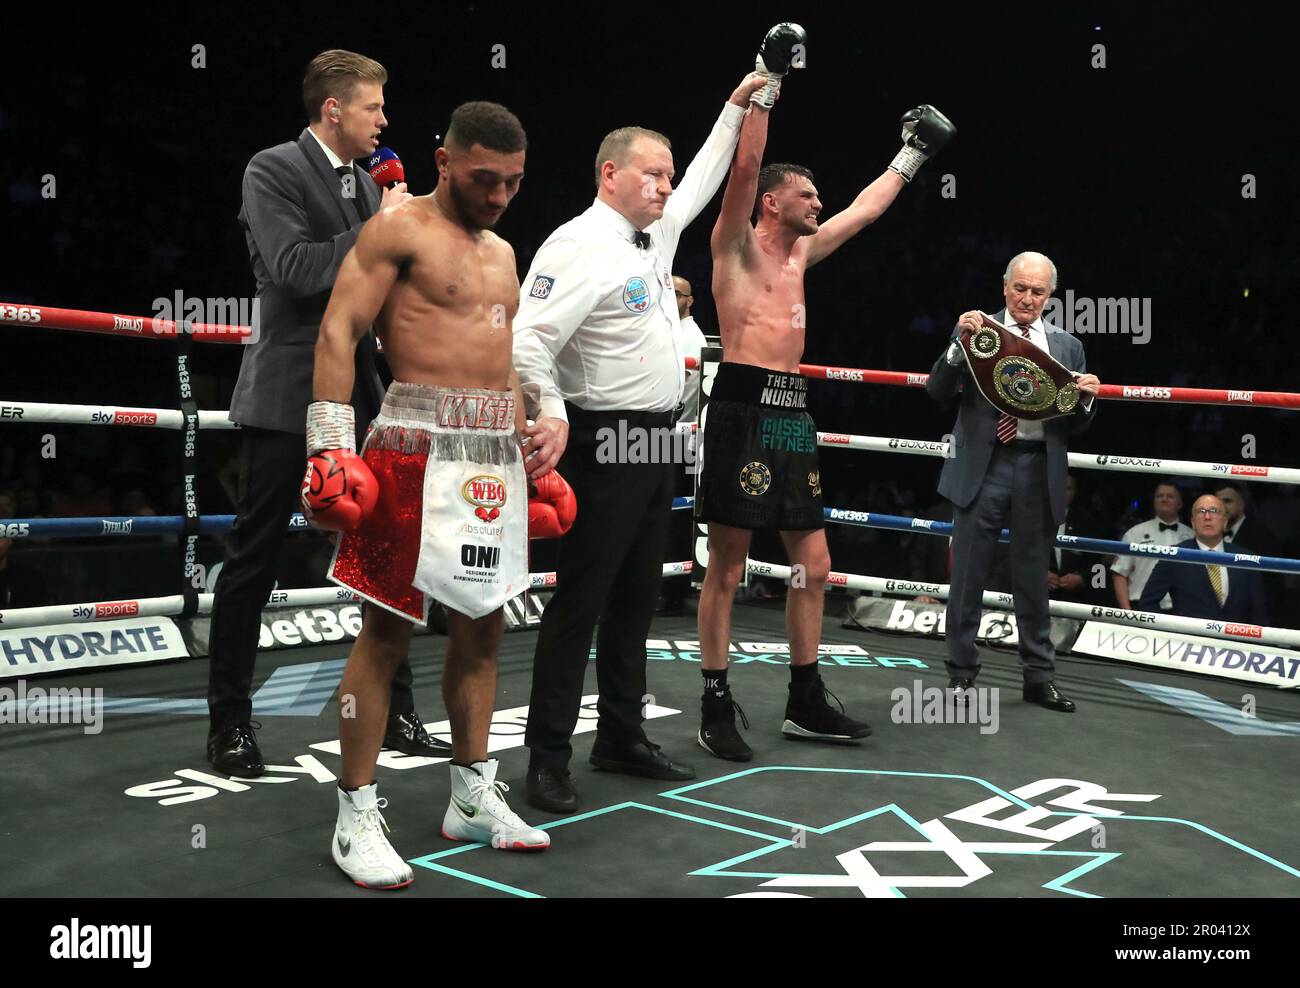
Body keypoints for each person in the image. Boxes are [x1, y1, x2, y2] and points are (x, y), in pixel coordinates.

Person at [307, 101, 555, 890]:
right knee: (384, 634)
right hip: (412, 448)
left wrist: (536, 436)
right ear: (444, 160)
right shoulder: (399, 230)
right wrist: (329, 449)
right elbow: (339, 330)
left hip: (492, 458)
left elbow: (499, 360)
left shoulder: (507, 252)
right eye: (485, 179)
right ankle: (354, 813)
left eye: (513, 183)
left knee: (484, 631)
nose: (499, 196)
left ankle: (472, 797)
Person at [512, 65, 771, 815]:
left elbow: (700, 179)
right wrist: (554, 410)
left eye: (664, 175)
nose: (664, 186)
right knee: (582, 602)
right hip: (601, 437)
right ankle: (547, 756)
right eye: (650, 174)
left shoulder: (650, 233)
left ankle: (621, 735)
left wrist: (735, 104)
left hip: (657, 439)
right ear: (610, 174)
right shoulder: (576, 244)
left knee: (637, 598)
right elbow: (527, 342)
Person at [693, 48, 955, 759]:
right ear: (776, 203)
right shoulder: (736, 247)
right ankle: (715, 701)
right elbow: (744, 173)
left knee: (816, 560)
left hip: (792, 412)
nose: (820, 204)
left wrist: (912, 155)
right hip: (742, 407)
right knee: (728, 563)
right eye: (809, 196)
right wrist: (768, 85)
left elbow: (867, 211)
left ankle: (805, 697)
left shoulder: (802, 256)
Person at [208, 50, 445, 778]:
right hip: (288, 390)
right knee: (256, 557)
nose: (385, 120)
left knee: (387, 555)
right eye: (374, 106)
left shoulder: (370, 186)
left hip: (366, 394)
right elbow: (296, 270)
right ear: (334, 109)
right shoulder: (272, 168)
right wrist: (384, 227)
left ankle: (397, 710)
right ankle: (230, 726)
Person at [927, 252, 1101, 713]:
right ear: (1005, 287)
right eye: (1020, 288)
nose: (1027, 298)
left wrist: (1086, 400)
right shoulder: (977, 330)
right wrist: (955, 346)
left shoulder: (1067, 347)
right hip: (982, 466)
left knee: (1032, 577)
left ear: (1050, 296)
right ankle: (961, 675)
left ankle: (1038, 678)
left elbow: (1075, 424)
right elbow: (938, 390)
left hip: (1037, 467)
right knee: (968, 574)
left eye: (1038, 291)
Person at [1137, 494, 1269, 624]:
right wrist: (1172, 636)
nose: (1207, 517)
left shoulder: (1246, 558)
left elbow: (1258, 612)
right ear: (1193, 522)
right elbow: (1147, 604)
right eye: (1201, 511)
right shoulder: (1174, 555)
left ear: (1225, 522)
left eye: (1214, 511)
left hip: (1236, 642)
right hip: (1189, 642)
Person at [1111, 481, 1191, 610]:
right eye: (1159, 496)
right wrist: (1127, 612)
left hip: (1181, 608)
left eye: (1170, 496)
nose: (1164, 499)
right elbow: (1120, 573)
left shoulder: (1191, 535)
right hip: (1140, 605)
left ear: (1180, 503)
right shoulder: (1135, 533)